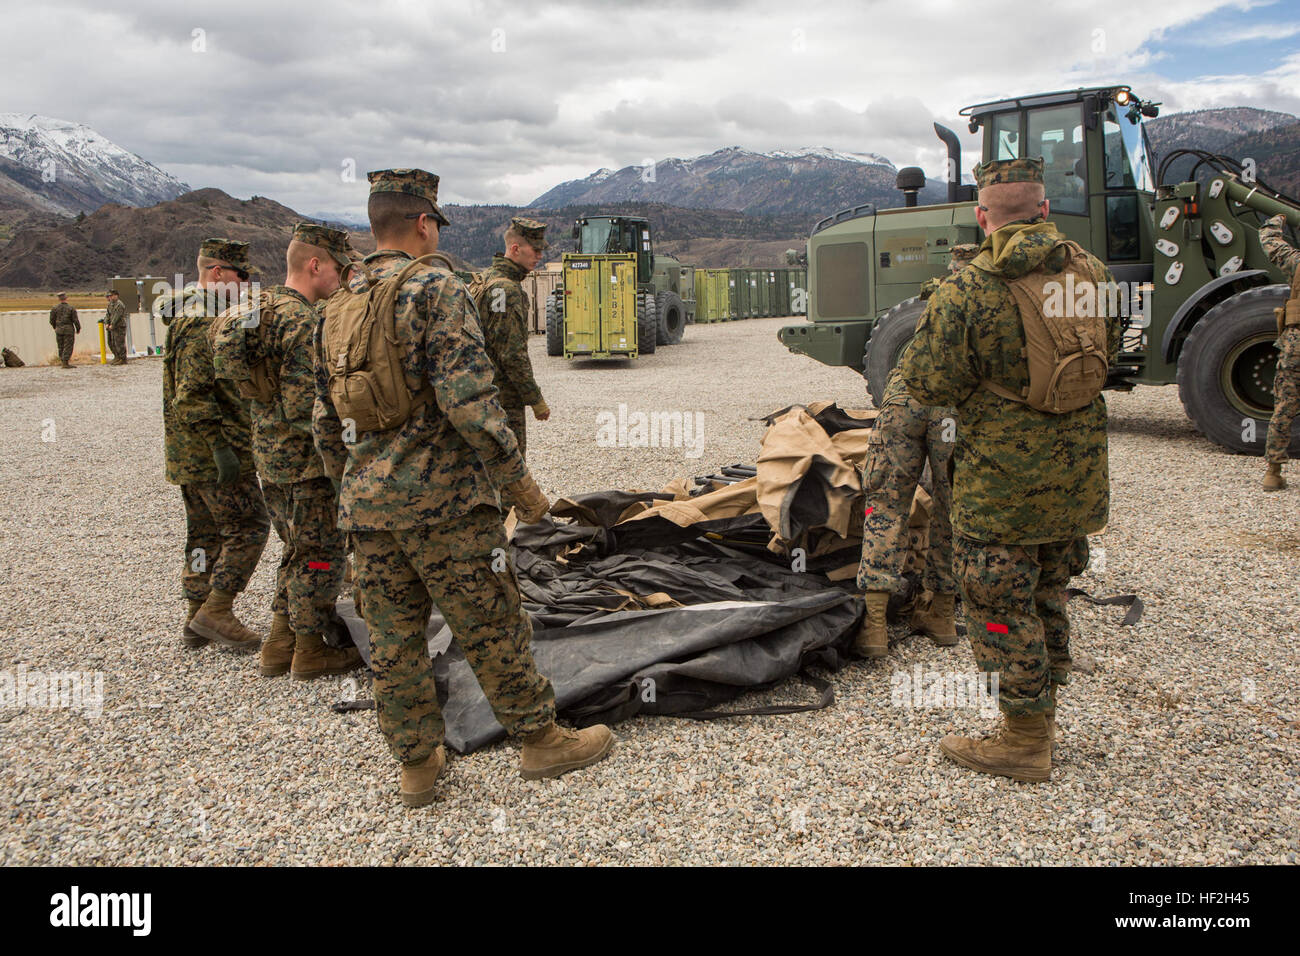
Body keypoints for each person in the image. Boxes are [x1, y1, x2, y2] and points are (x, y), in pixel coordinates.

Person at [313, 169, 614, 808]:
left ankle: (418, 765)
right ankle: (540, 739)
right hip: (446, 505)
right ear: (424, 224)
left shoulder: (338, 302)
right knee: (491, 621)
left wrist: (356, 487)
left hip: (368, 510)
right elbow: (473, 405)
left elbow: (322, 421)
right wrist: (524, 491)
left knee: (394, 642)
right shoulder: (435, 288)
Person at [898, 158, 1119, 783]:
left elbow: (927, 382)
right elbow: (1112, 344)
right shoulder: (1092, 273)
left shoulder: (969, 289)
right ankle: (1050, 682)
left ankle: (1024, 739)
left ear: (982, 217)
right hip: (1078, 476)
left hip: (1003, 484)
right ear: (1045, 211)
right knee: (1049, 582)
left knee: (997, 604)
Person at [213, 223, 365, 679]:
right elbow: (308, 407)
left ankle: (279, 647)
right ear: (315, 264)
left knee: (297, 551)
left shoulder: (261, 309)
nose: (340, 278)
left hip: (270, 457)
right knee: (321, 556)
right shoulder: (300, 320)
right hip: (307, 463)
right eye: (337, 268)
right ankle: (310, 651)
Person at [853, 244, 978, 658]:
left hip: (904, 402)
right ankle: (939, 613)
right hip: (953, 412)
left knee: (885, 505)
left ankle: (874, 626)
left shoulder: (934, 296)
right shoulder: (993, 300)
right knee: (951, 508)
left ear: (950, 267)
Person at [161, 239, 270, 651]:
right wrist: (220, 447)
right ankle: (217, 609)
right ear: (218, 273)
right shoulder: (199, 321)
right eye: (241, 277)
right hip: (214, 452)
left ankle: (195, 617)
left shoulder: (202, 314)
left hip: (193, 452)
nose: (245, 285)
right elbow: (191, 394)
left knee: (204, 535)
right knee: (250, 527)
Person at [477, 217, 551, 459]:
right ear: (515, 249)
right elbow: (511, 353)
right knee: (511, 468)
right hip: (503, 399)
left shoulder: (485, 279)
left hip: (481, 394)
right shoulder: (505, 291)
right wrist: (535, 399)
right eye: (535, 250)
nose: (539, 256)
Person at [1258, 213, 1300, 491]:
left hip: (1296, 346)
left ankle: (1273, 472)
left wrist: (1276, 220)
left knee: (1284, 407)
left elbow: (1269, 241)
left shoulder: (1296, 262)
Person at [49, 292, 80, 368]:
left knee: (60, 346)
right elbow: (75, 320)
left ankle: (62, 361)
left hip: (59, 330)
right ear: (66, 298)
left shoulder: (54, 308)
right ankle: (65, 362)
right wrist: (78, 328)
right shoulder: (71, 308)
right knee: (68, 346)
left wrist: (55, 327)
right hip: (68, 330)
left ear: (59, 299)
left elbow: (51, 320)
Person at [105, 290, 129, 365]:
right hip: (112, 327)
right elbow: (108, 315)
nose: (110, 297)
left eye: (111, 296)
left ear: (116, 295)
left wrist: (112, 324)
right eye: (109, 296)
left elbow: (117, 316)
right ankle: (117, 357)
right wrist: (106, 323)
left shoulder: (119, 305)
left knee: (119, 343)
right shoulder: (110, 304)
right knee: (112, 342)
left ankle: (122, 358)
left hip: (119, 326)